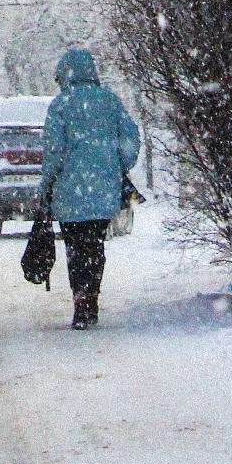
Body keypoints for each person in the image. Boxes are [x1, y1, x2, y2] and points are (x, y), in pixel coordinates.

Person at [36, 46, 141, 329]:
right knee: (95, 245)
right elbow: (130, 139)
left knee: (75, 247)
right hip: (104, 190)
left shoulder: (60, 105)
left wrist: (47, 182)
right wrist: (120, 165)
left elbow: (53, 150)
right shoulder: (110, 102)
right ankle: (91, 297)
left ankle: (81, 300)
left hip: (70, 193)